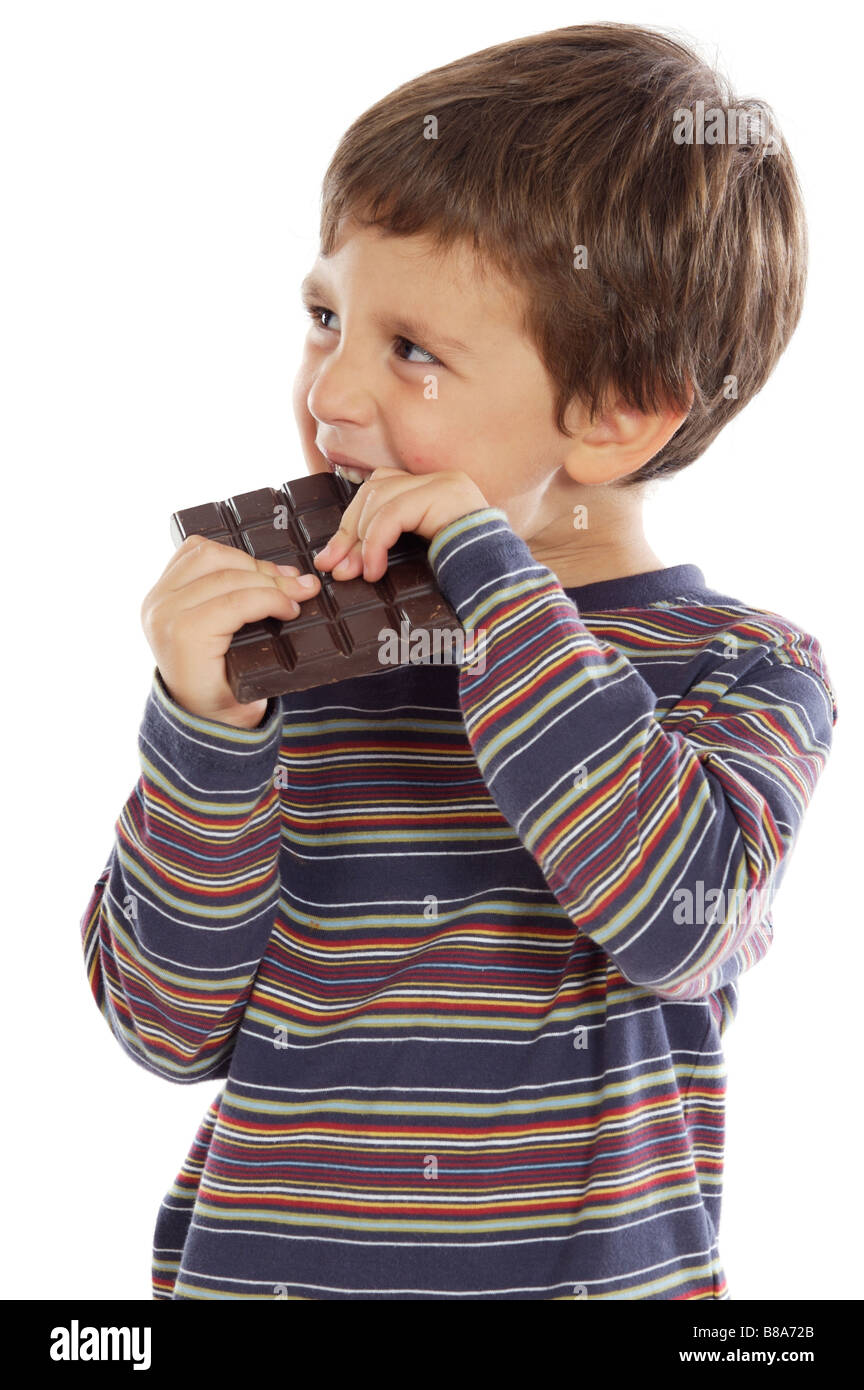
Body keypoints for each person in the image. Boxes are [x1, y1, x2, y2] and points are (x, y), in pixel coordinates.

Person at [80, 22, 837, 1299]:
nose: (331, 393)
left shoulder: (744, 669)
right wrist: (203, 728)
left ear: (614, 411)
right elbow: (164, 1025)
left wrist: (495, 581)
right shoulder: (296, 657)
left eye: (412, 350)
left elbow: (669, 915)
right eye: (326, 316)